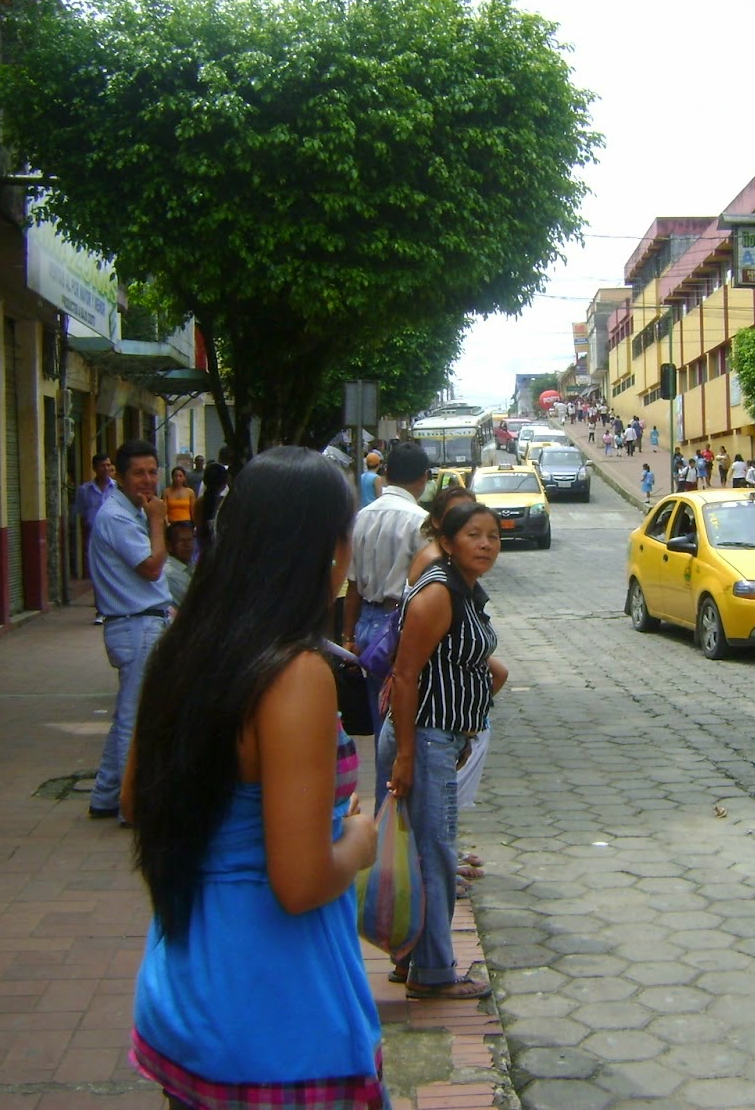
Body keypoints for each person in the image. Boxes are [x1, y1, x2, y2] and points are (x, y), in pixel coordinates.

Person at [126, 446, 384, 1108]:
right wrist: (358, 840)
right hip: (277, 1012)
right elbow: (299, 883)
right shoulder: (295, 676)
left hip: (186, 987)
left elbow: (137, 799)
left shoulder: (181, 649)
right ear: (325, 550)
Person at [376, 501, 506, 1000]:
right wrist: (407, 754)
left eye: (493, 536)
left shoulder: (469, 592)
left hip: (440, 735)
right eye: (474, 535)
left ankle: (410, 958)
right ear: (447, 543)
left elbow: (468, 661)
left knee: (421, 849)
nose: (486, 544)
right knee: (434, 852)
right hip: (423, 735)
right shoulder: (438, 592)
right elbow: (405, 676)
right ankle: (432, 972)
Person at [86, 439, 170, 821]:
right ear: (117, 475)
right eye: (138, 473)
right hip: (135, 626)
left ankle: (106, 794)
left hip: (144, 621)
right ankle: (130, 805)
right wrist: (158, 522)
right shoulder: (118, 516)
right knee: (135, 718)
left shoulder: (131, 511)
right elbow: (151, 566)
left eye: (153, 471)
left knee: (128, 714)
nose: (148, 480)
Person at [342, 442, 431, 721]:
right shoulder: (421, 521)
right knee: (403, 721)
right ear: (424, 476)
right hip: (399, 625)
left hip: (366, 624)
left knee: (380, 712)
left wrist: (348, 636)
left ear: (387, 472)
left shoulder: (362, 517)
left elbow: (353, 586)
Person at [77, 453, 118, 621]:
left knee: (114, 571)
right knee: (97, 573)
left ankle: (114, 607)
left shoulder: (117, 488)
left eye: (109, 465)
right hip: (94, 536)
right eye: (103, 466)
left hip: (115, 535)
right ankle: (101, 610)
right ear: (95, 468)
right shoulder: (85, 490)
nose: (107, 469)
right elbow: (81, 515)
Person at [195, 462, 230, 563]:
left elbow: (199, 528)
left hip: (203, 552)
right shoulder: (228, 503)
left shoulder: (199, 502)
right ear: (225, 482)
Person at [163, 521, 195, 609]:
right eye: (182, 541)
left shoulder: (193, 565)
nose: (187, 545)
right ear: (169, 546)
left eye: (190, 540)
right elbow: (193, 600)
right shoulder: (168, 573)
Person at [163, 466, 195, 531]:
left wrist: (195, 524)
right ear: (172, 477)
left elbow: (193, 510)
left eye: (180, 476)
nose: (178, 478)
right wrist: (166, 522)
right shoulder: (166, 492)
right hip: (171, 523)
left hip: (186, 523)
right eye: (176, 476)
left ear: (184, 478)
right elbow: (164, 510)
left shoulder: (190, 492)